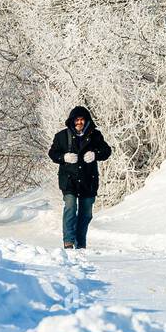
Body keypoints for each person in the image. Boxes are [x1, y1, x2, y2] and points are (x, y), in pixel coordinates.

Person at [47, 105, 112, 250]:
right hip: (69, 180)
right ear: (71, 121)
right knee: (70, 206)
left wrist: (96, 154)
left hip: (88, 180)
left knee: (86, 213)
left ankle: (80, 243)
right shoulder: (62, 136)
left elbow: (107, 151)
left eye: (82, 120)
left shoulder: (95, 135)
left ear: (86, 121)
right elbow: (52, 153)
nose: (79, 123)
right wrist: (64, 157)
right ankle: (69, 242)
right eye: (76, 120)